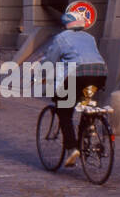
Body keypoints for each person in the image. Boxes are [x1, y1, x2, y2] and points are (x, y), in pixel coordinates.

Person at [43, 10, 108, 167]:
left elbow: (50, 60)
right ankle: (89, 128)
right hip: (100, 74)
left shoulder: (61, 38)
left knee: (64, 110)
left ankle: (72, 148)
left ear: (66, 25)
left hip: (78, 74)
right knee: (85, 104)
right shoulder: (90, 37)